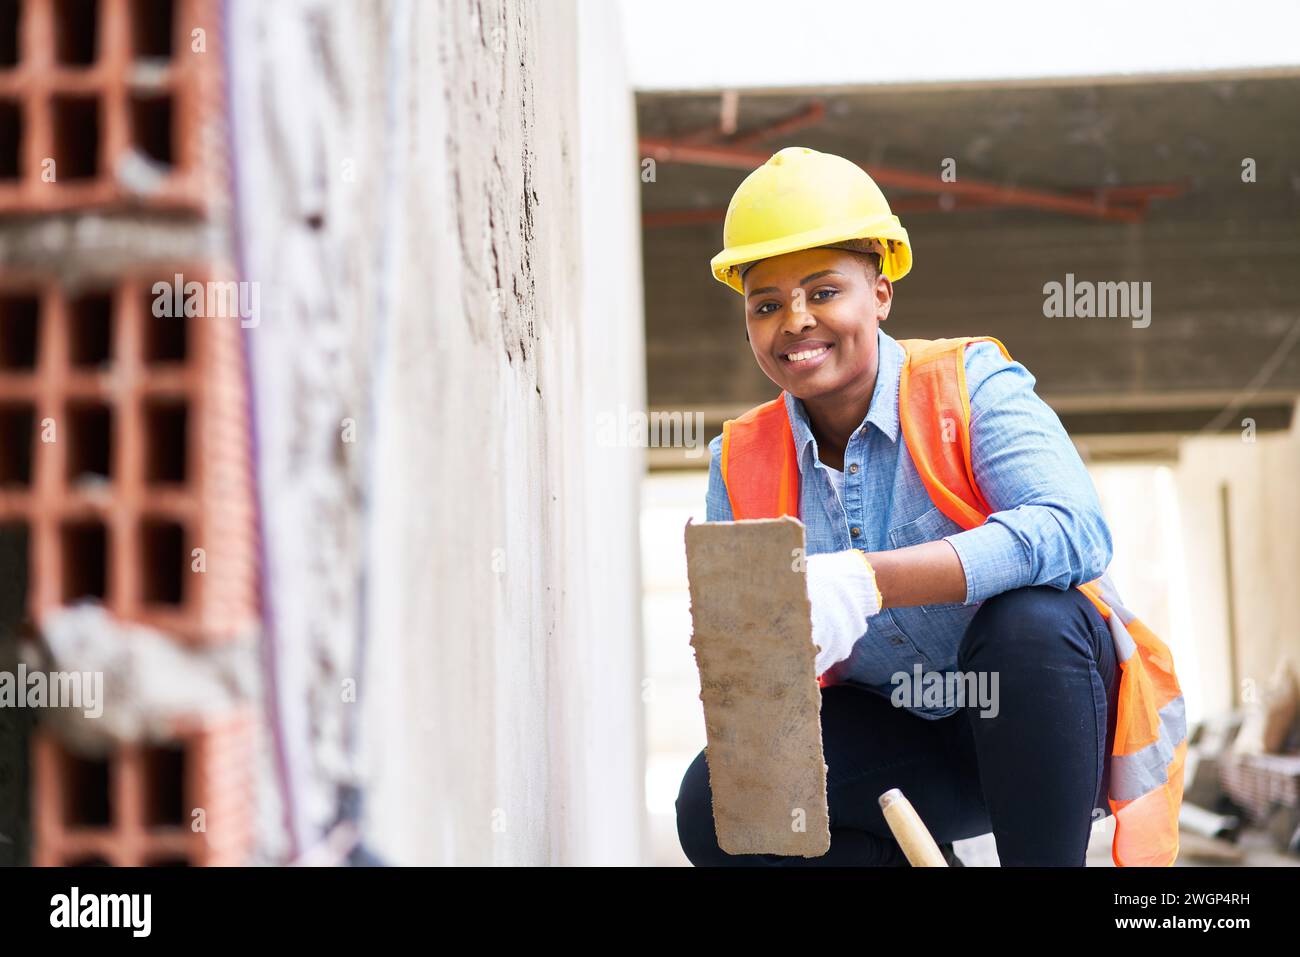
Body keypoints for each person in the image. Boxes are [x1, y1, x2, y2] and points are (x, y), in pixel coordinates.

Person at [676, 147, 1183, 867]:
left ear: (879, 293)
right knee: (721, 807)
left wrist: (868, 577)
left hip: (1041, 717)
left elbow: (1075, 527)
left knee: (1029, 621)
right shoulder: (741, 462)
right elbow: (756, 680)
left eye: (823, 291)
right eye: (767, 304)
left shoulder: (969, 384)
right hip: (903, 735)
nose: (795, 320)